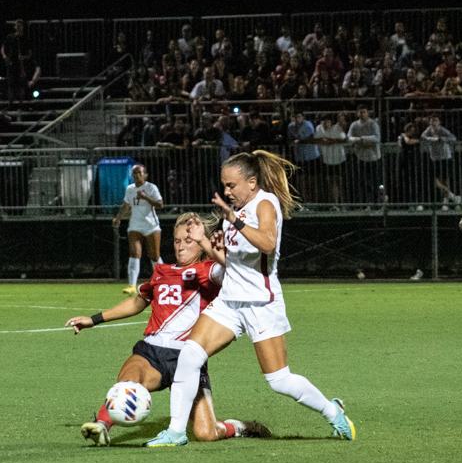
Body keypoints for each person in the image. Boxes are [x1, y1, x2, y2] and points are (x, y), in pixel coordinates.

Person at [145, 151, 354, 447]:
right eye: (224, 185)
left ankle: (333, 411)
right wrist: (207, 243)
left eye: (232, 186)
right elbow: (233, 263)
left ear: (252, 182)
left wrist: (234, 221)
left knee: (279, 380)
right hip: (230, 301)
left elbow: (268, 243)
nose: (227, 191)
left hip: (261, 304)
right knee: (189, 356)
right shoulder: (235, 214)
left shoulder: (264, 204)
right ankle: (176, 432)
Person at [67, 213, 271, 446]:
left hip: (189, 356)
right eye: (177, 241)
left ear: (200, 243)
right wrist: (94, 319)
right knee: (128, 382)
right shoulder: (161, 271)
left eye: (188, 240)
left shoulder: (210, 270)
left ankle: (239, 427)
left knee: (205, 433)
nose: (181, 246)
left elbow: (237, 269)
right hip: (152, 351)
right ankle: (102, 425)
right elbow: (138, 301)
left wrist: (214, 245)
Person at [112, 164, 164, 294]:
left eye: (139, 173)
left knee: (154, 255)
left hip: (151, 225)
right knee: (134, 253)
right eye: (134, 173)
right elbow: (126, 205)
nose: (136, 175)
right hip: (135, 224)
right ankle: (132, 286)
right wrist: (118, 218)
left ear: (145, 175)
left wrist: (146, 197)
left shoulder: (151, 187)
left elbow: (160, 205)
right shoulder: (130, 189)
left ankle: (164, 281)